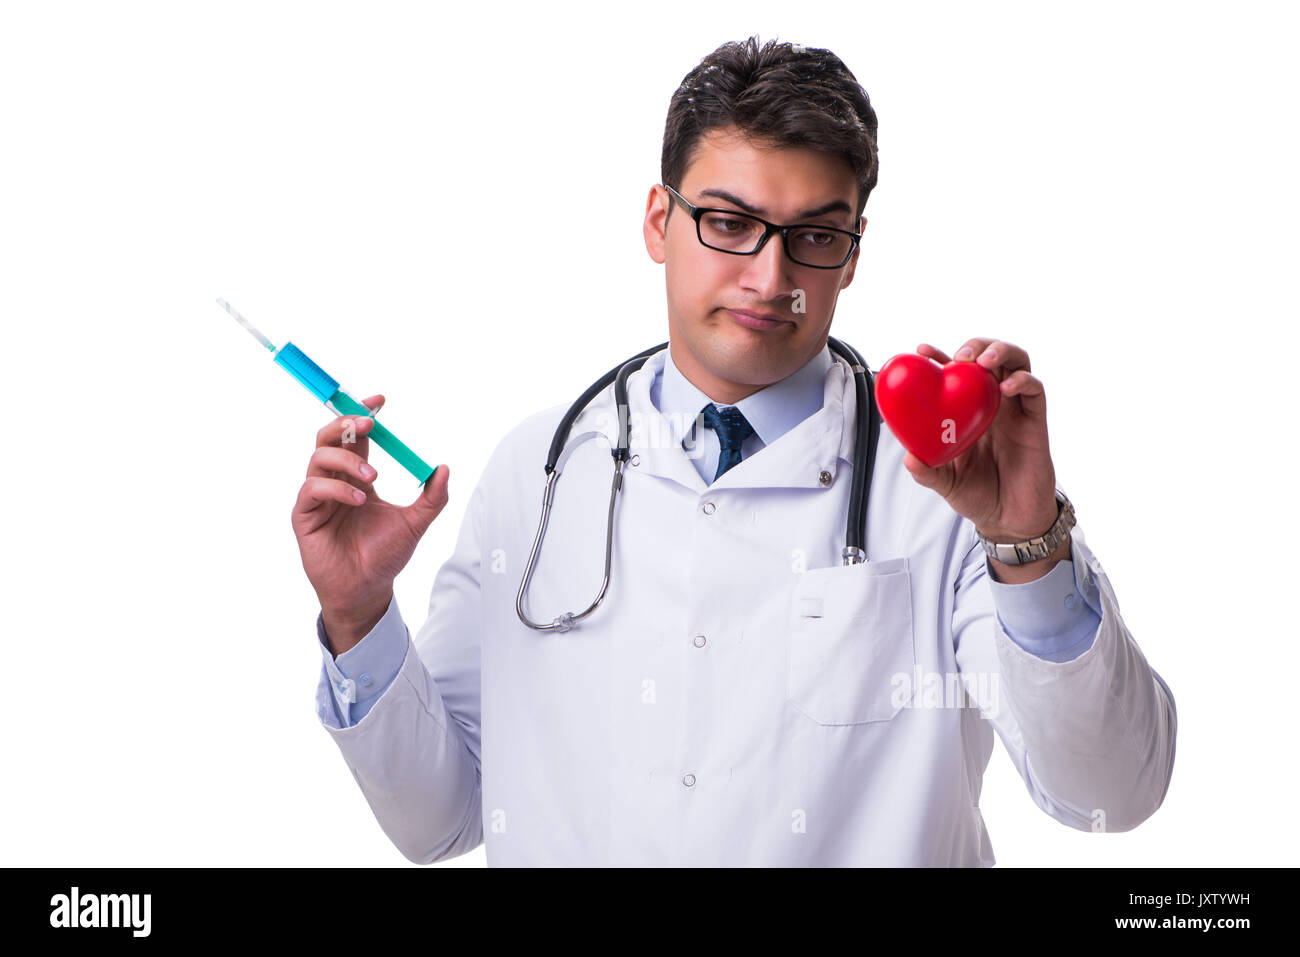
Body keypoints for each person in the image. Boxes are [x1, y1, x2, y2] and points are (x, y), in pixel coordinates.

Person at [290, 36, 1176, 866]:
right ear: (656, 222)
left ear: (854, 254)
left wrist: (1028, 542)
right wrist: (360, 617)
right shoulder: (539, 473)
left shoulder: (944, 491)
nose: (770, 277)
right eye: (728, 221)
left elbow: (1110, 792)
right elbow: (438, 816)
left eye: (816, 235)